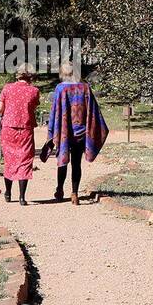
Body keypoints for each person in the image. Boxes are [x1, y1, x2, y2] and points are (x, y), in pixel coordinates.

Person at [46, 60, 108, 205]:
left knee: (62, 161)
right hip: (81, 132)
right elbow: (93, 111)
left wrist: (51, 131)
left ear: (62, 73)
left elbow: (55, 111)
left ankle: (60, 189)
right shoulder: (85, 88)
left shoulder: (60, 88)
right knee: (76, 163)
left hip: (64, 133)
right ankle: (74, 193)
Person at [0, 63, 40, 205]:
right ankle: (22, 197)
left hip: (8, 129)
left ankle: (8, 193)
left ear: (18, 74)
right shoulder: (34, 91)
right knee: (25, 161)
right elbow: (33, 107)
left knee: (9, 160)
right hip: (25, 129)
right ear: (30, 76)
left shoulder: (7, 88)